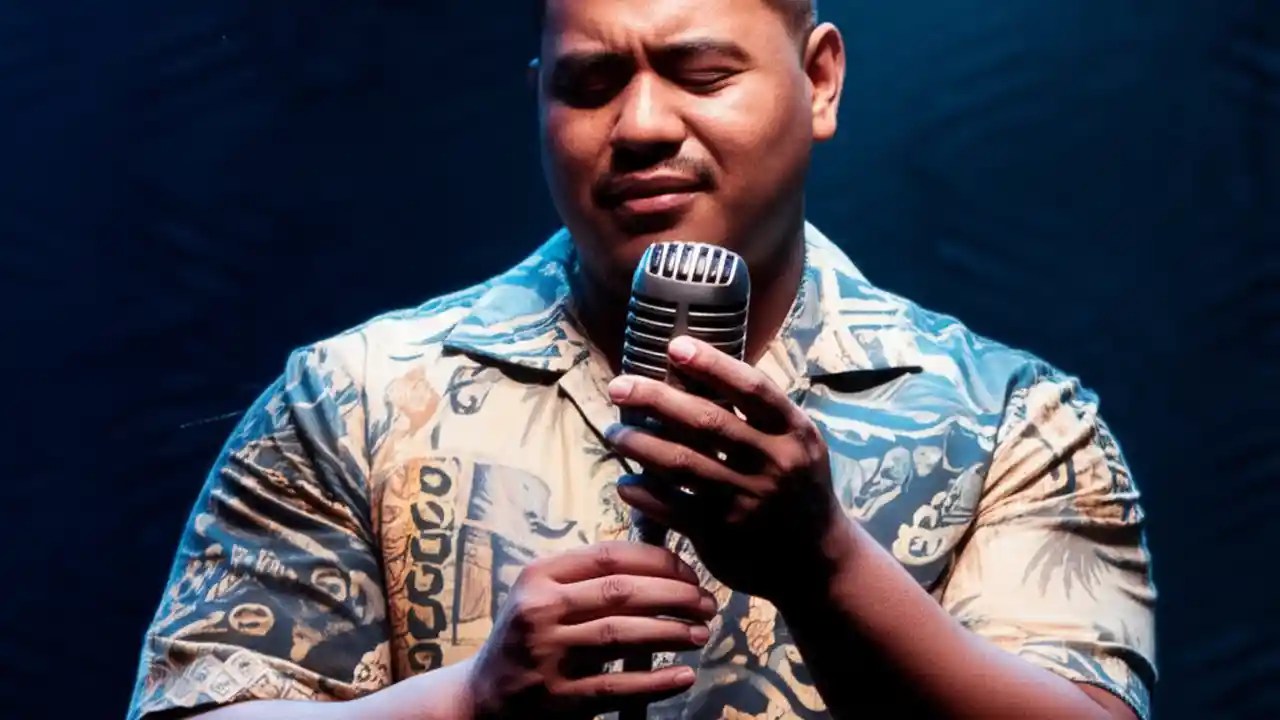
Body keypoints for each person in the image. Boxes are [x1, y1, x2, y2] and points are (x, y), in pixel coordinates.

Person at [127, 0, 1157, 718]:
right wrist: (464, 703)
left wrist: (823, 562)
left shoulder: (1015, 422)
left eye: (700, 73)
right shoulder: (348, 399)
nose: (641, 126)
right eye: (588, 84)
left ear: (819, 80)